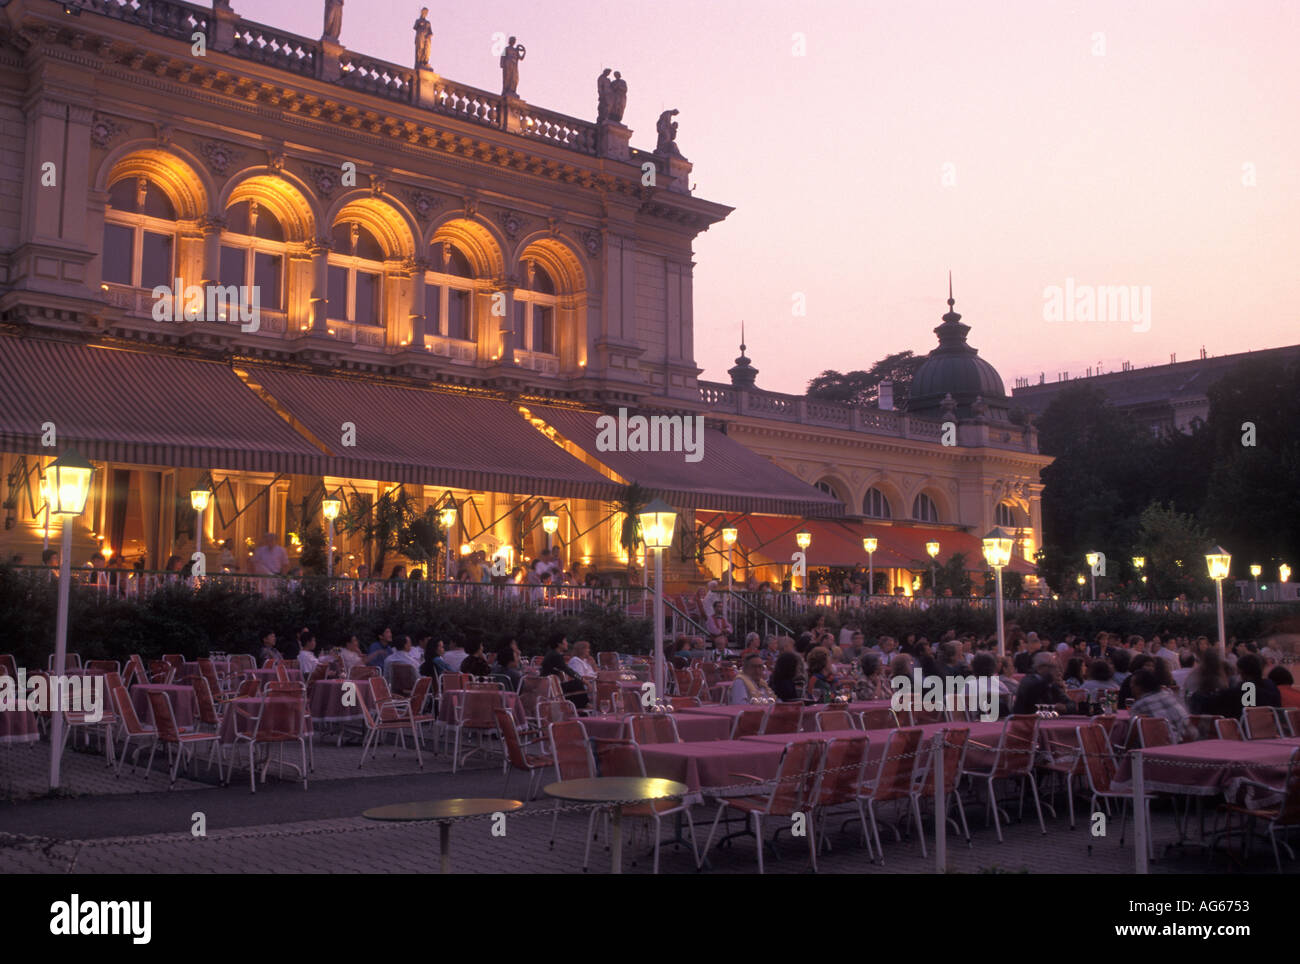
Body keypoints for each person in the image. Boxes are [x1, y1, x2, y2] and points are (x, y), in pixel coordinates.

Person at [1129, 668, 1193, 743]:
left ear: (1139, 687)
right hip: (1189, 740)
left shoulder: (1138, 706)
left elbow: (1133, 734)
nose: (1131, 686)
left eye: (1132, 684)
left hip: (1166, 745)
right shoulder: (1168, 695)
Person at [541, 632, 588, 709]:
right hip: (551, 688)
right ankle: (583, 707)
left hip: (547, 686)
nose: (567, 643)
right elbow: (568, 671)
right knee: (577, 684)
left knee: (574, 685)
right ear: (559, 644)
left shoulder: (551, 654)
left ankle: (580, 706)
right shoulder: (556, 655)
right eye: (565, 641)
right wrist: (583, 680)